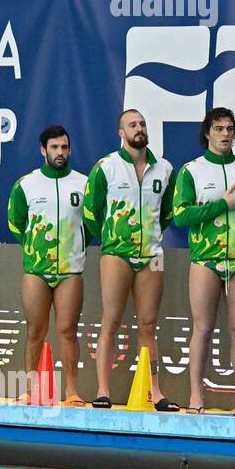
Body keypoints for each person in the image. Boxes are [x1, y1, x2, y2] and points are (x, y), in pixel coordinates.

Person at [82, 109, 177, 410]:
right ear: (121, 133)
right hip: (116, 254)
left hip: (152, 255)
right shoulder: (106, 167)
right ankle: (102, 391)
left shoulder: (164, 169)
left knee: (149, 325)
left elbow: (168, 212)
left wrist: (150, 235)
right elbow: (90, 211)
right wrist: (112, 238)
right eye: (132, 125)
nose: (140, 129)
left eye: (143, 124)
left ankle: (156, 392)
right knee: (111, 320)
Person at [172, 108, 235, 415]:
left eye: (230, 128)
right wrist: (222, 204)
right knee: (202, 328)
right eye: (219, 128)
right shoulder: (192, 170)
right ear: (208, 133)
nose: (225, 134)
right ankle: (196, 397)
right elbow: (181, 215)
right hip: (205, 259)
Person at [7, 125, 89, 406]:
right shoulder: (26, 184)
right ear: (43, 150)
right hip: (36, 271)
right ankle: (29, 389)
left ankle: (71, 391)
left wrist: (75, 245)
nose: (60, 153)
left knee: (67, 330)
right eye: (54, 148)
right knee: (35, 330)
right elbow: (15, 224)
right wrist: (33, 248)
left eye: (64, 147)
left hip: (70, 270)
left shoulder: (83, 183)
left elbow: (90, 224)